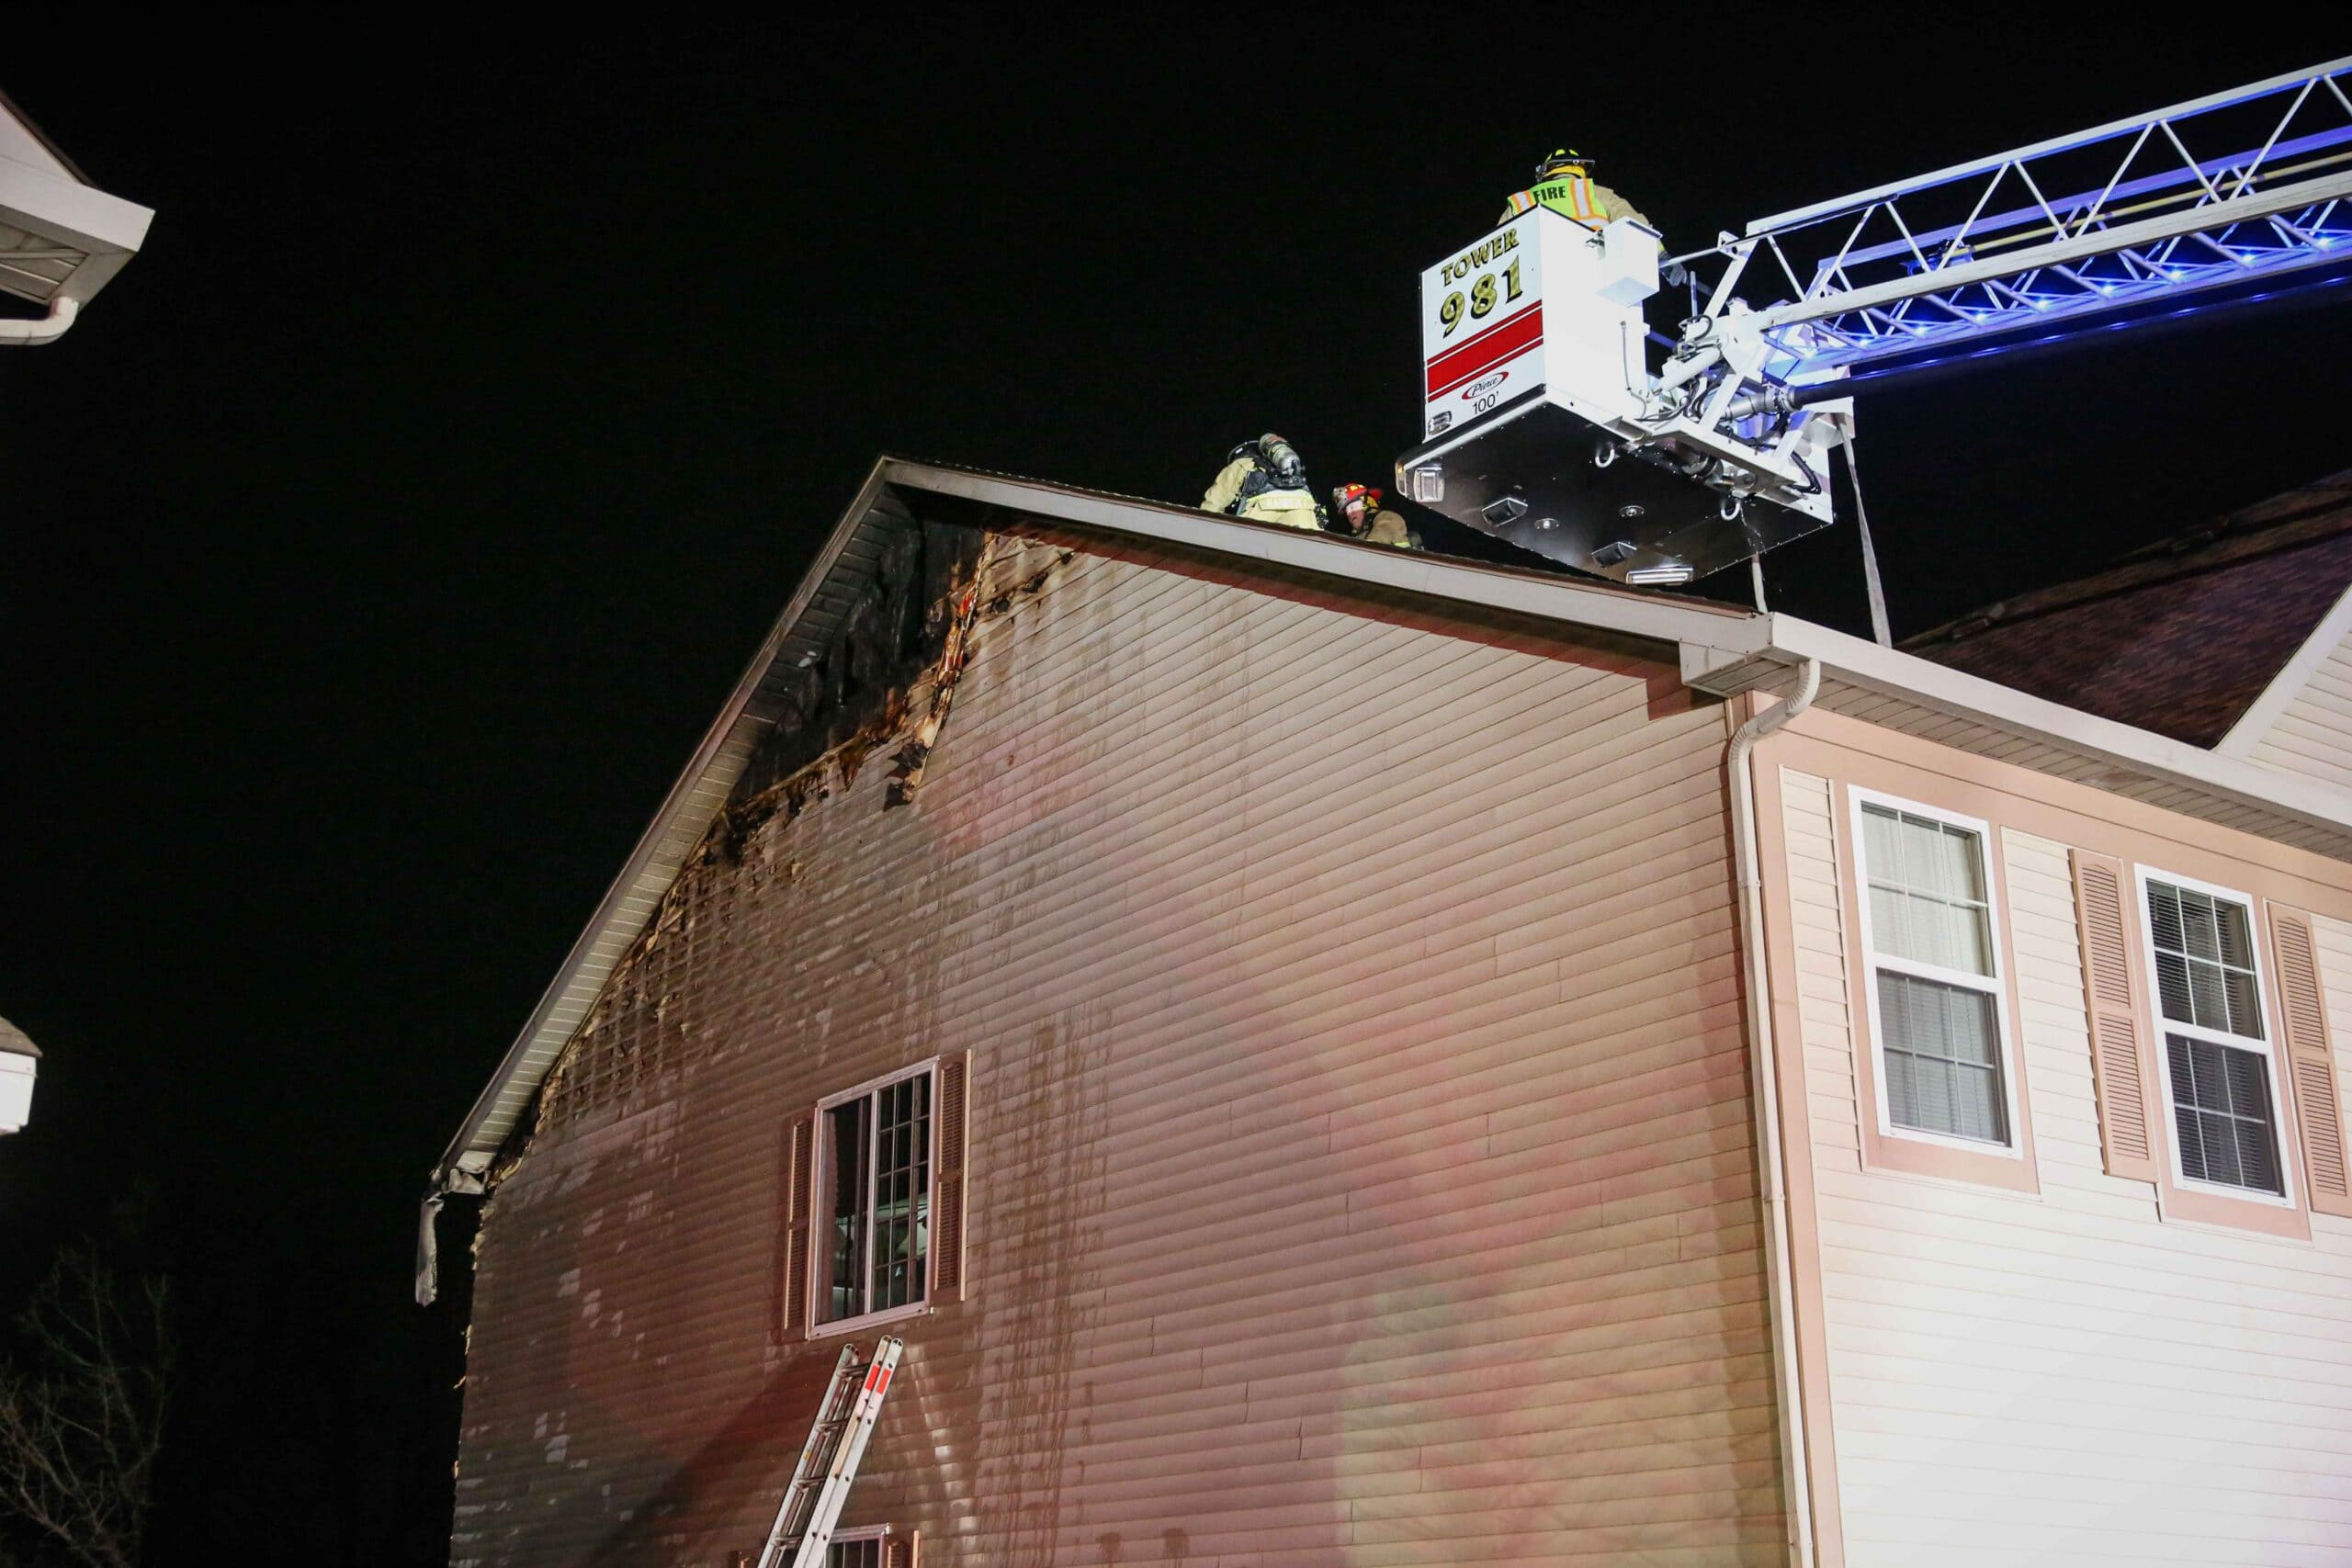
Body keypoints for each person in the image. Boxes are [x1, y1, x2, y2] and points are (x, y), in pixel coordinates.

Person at [1498, 148, 1654, 231]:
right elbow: (1634, 223)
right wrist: (1661, 257)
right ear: (1580, 169)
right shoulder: (1596, 193)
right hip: (1593, 277)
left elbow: (1495, 247)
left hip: (1536, 281)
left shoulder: (1521, 201)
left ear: (1546, 172)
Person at [1202, 434, 1326, 532]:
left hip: (1264, 507)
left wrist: (1205, 530)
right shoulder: (1291, 468)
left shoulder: (1242, 462)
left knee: (1248, 555)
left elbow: (1215, 501)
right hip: (1304, 508)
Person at [1330, 483, 1418, 549]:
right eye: (1346, 511)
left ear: (1367, 504)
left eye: (1353, 507)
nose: (1349, 513)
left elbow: (1379, 538)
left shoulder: (1388, 517)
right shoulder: (1358, 536)